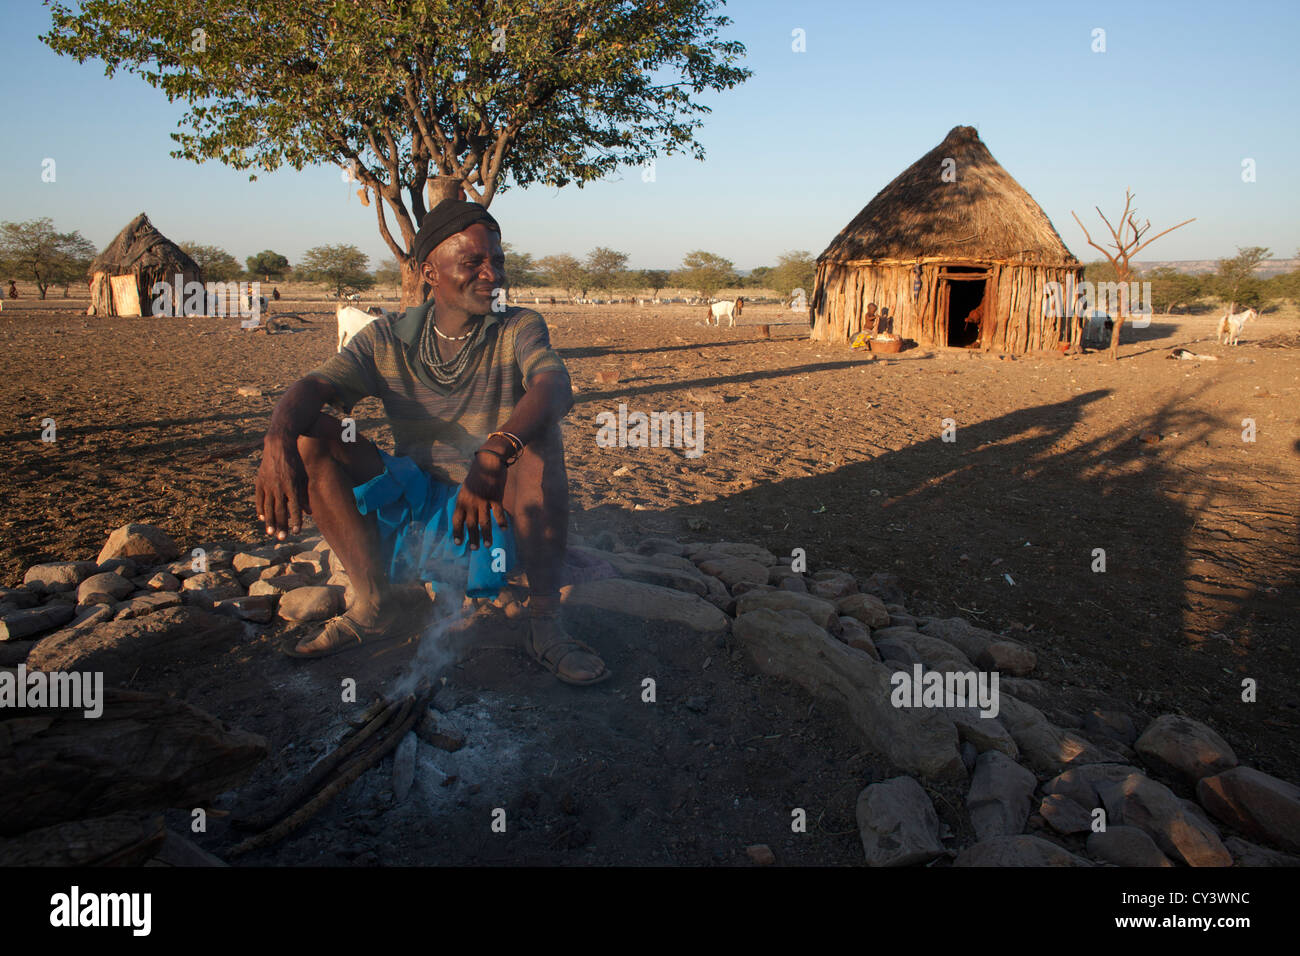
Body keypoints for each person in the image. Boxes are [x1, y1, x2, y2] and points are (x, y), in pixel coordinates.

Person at [255, 199, 607, 685]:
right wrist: (278, 436)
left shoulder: (518, 326)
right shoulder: (385, 338)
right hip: (415, 504)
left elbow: (555, 385)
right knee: (310, 436)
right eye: (473, 263)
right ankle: (376, 603)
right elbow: (311, 389)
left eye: (497, 261)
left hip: (491, 507)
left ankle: (544, 622)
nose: (492, 275)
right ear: (428, 272)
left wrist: (494, 452)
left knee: (542, 438)